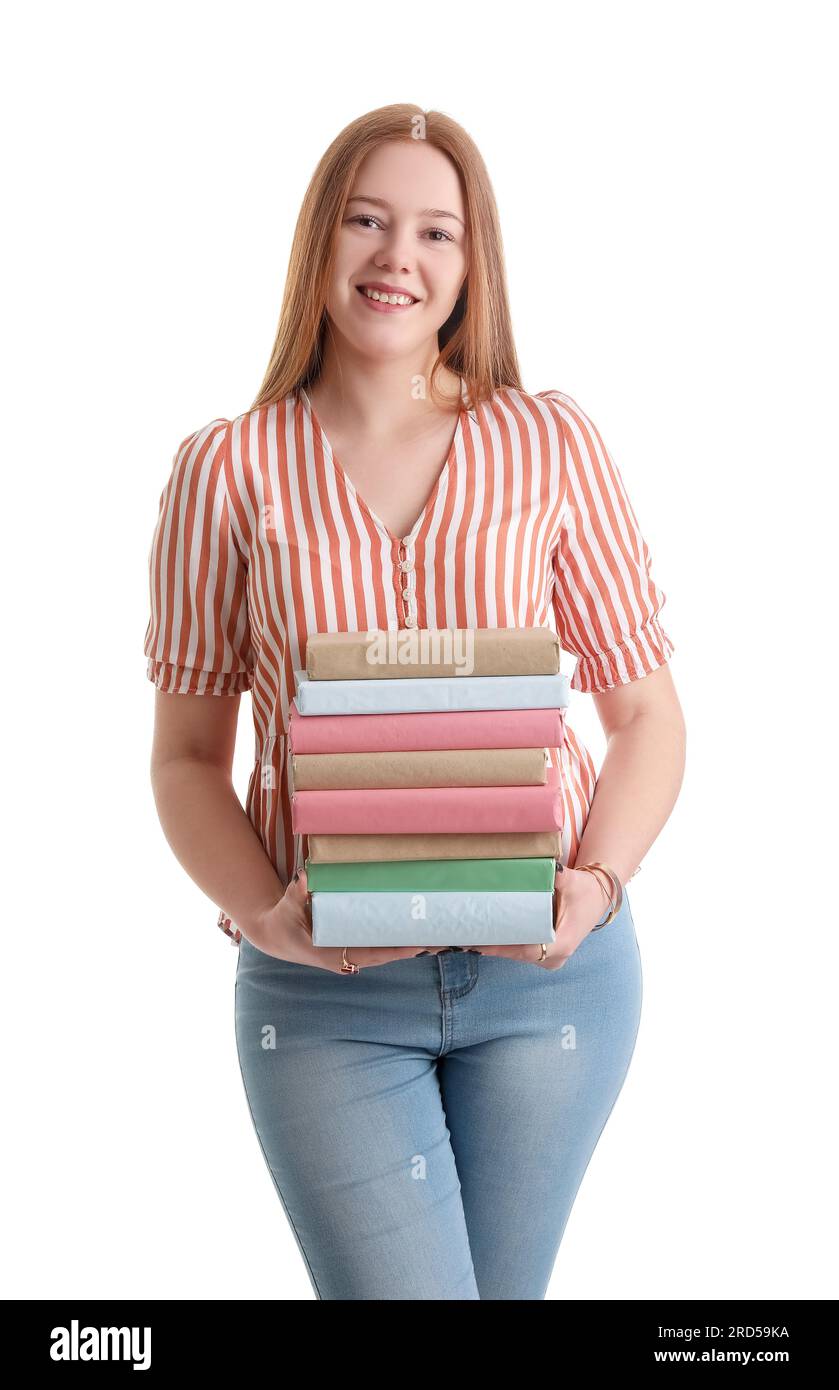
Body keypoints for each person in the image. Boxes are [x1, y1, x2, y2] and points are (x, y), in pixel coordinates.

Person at [144, 103, 686, 1300]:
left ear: (468, 266)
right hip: (323, 993)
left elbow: (644, 716)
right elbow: (185, 754)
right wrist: (260, 912)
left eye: (436, 233)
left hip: (551, 981)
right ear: (319, 243)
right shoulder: (226, 468)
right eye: (368, 220)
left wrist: (592, 888)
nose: (399, 257)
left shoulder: (548, 445)